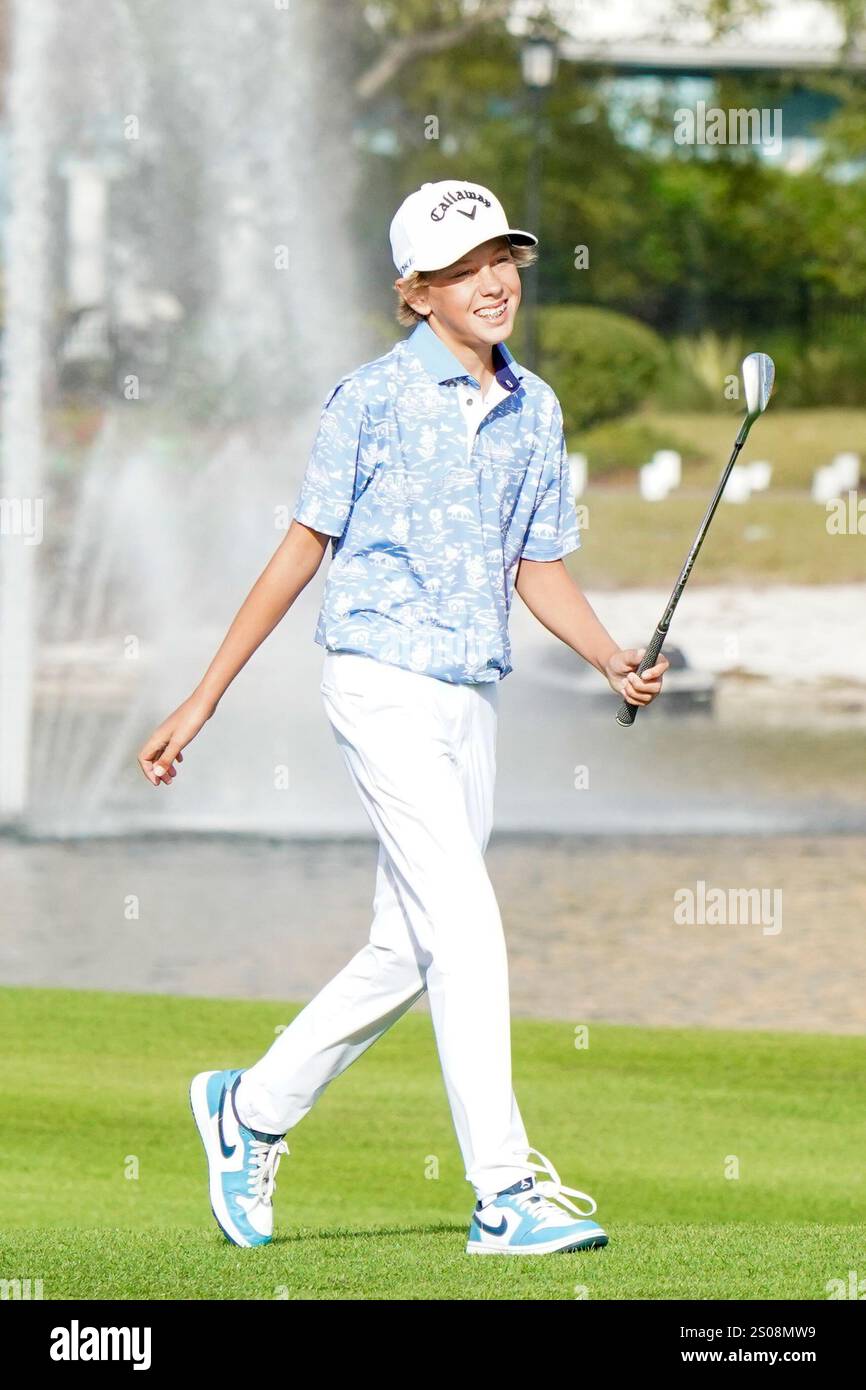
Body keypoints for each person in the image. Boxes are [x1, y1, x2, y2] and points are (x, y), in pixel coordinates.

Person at [137, 179, 669, 1256]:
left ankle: (250, 1110)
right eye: (465, 267)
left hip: (468, 696)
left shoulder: (538, 405)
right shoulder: (368, 400)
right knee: (467, 924)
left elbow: (537, 566)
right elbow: (300, 549)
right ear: (416, 291)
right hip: (376, 681)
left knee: (408, 945)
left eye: (503, 259)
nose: (494, 281)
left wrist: (609, 655)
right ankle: (501, 1193)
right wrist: (202, 696)